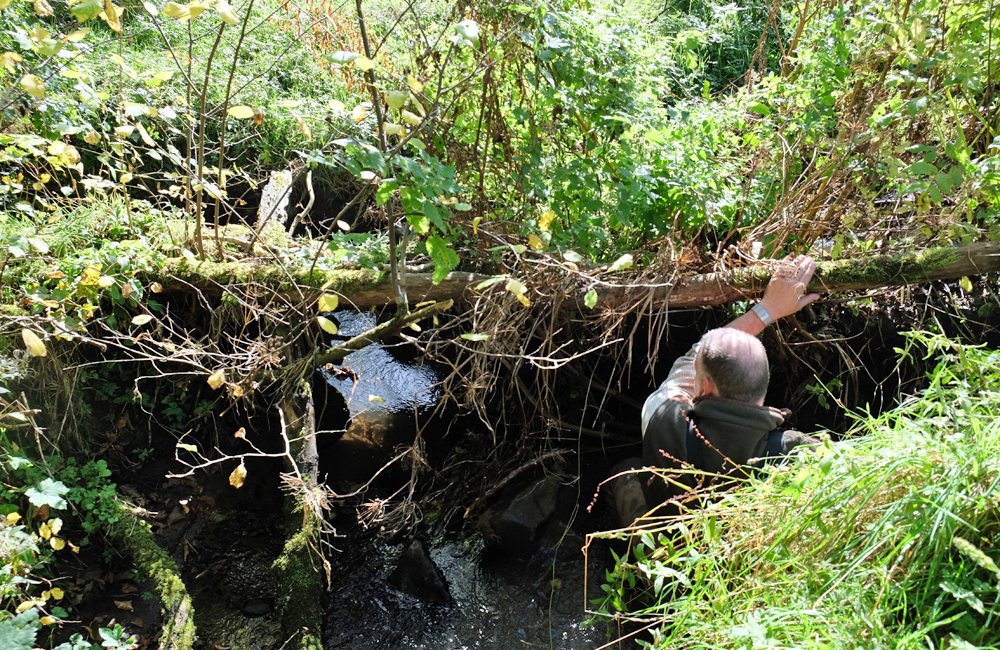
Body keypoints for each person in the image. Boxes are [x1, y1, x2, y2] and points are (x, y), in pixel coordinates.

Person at [610, 255, 821, 528]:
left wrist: (768, 309)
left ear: (705, 386)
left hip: (674, 553)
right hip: (745, 558)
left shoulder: (665, 419)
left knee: (625, 470)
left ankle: (634, 562)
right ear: (765, 387)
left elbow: (692, 359)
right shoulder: (796, 451)